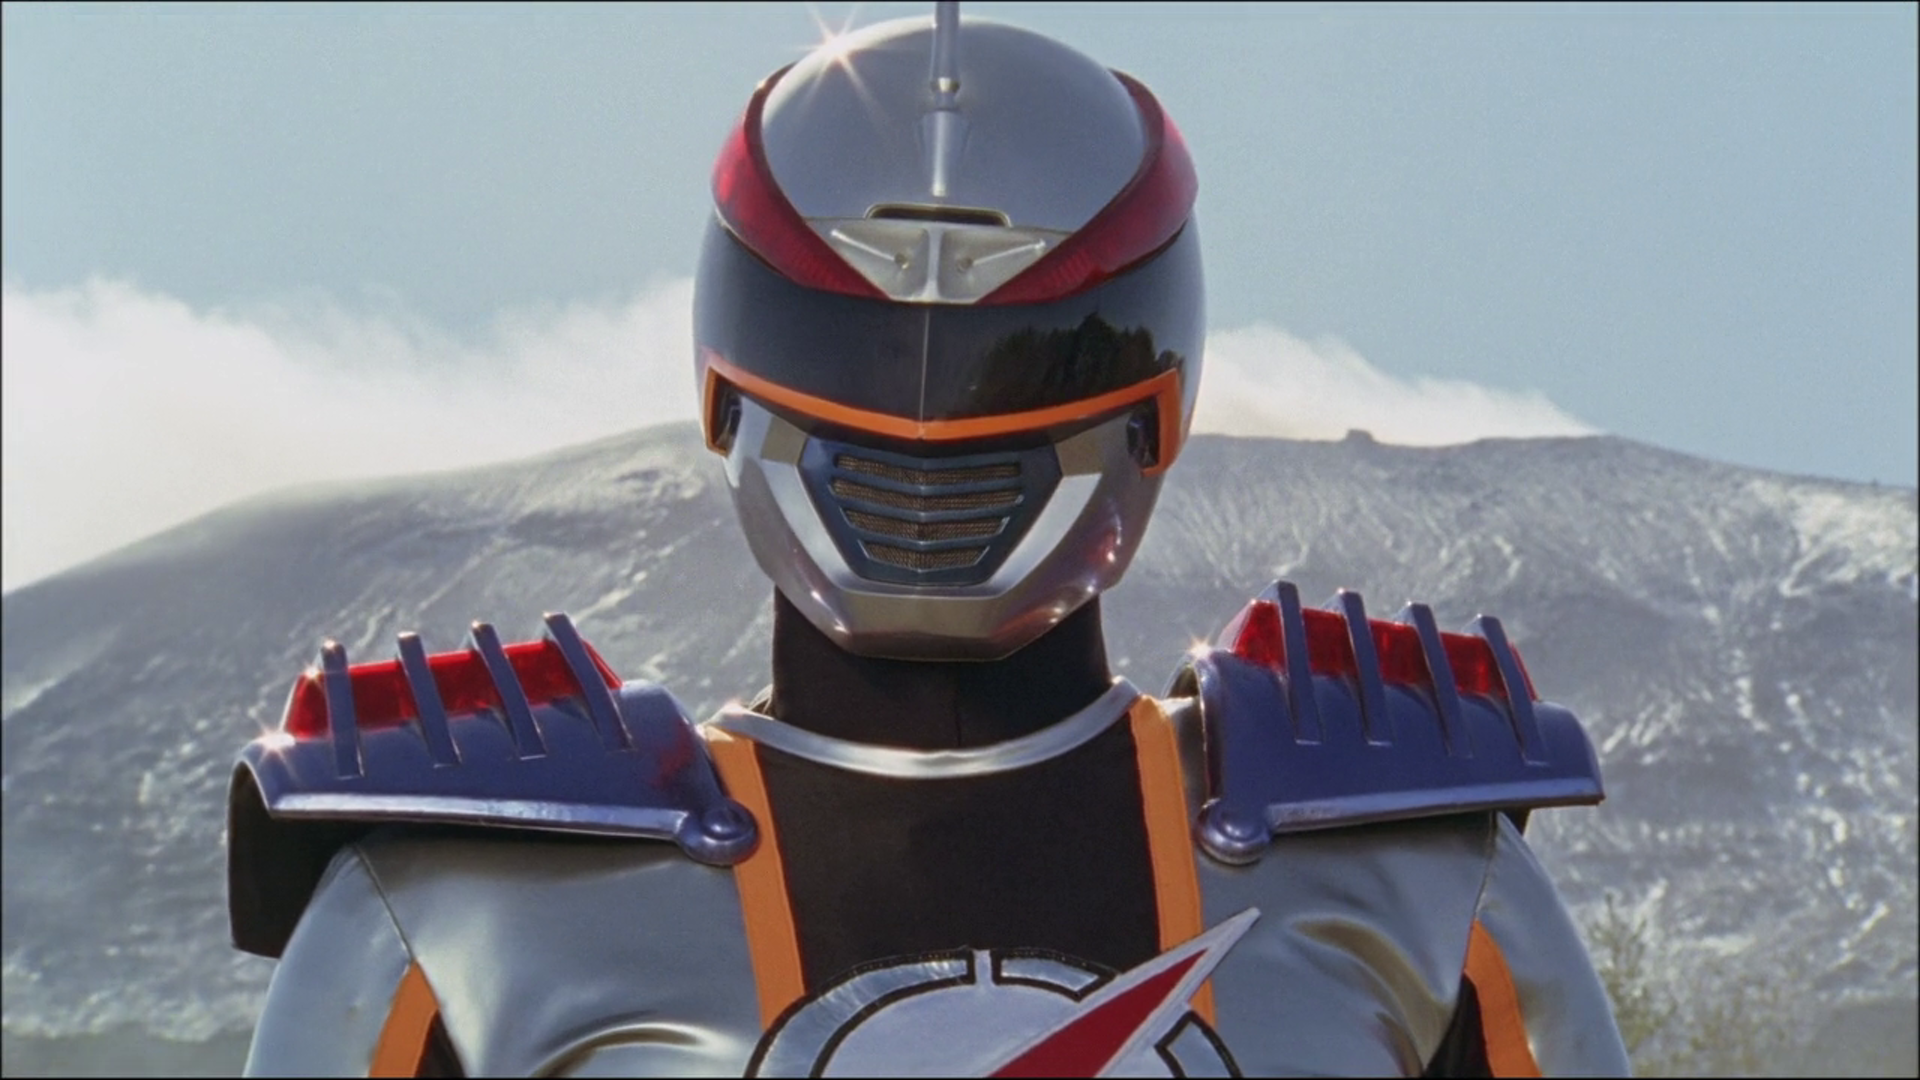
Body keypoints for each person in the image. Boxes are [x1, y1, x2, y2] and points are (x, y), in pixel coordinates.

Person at [227, 6, 1632, 1075]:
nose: (924, 407)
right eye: (859, 344)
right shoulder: (456, 887)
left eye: (1009, 360)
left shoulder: (1417, 873)